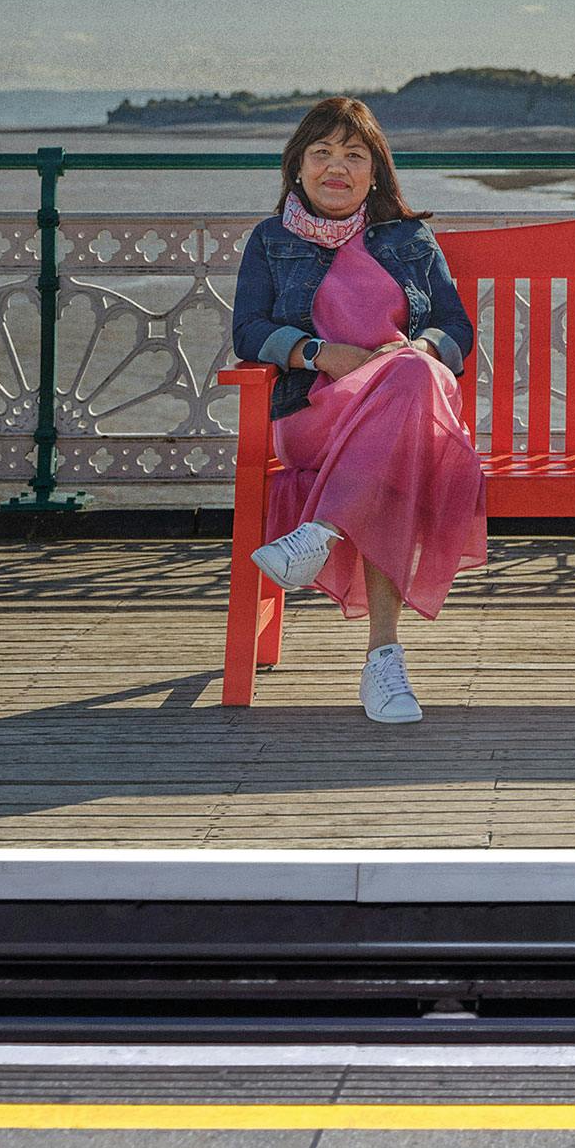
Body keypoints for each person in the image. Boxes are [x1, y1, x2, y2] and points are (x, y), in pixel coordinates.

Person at [228, 96, 486, 724]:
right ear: (298, 167)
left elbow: (455, 327)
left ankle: (323, 539)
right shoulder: (270, 240)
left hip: (401, 412)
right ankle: (383, 667)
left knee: (409, 377)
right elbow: (248, 332)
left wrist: (420, 351)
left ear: (376, 172)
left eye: (353, 154)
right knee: (404, 418)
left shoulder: (409, 239)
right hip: (313, 413)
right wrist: (319, 353)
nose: (336, 167)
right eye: (322, 153)